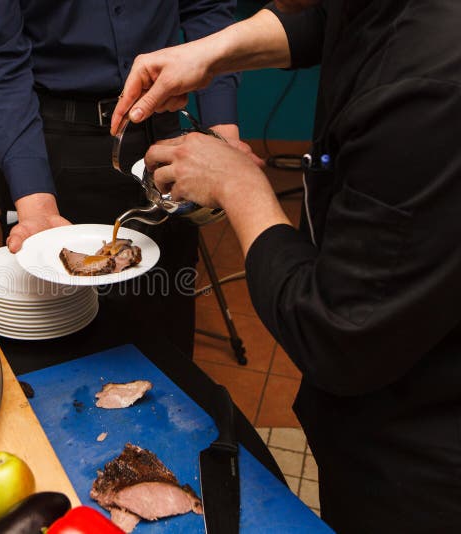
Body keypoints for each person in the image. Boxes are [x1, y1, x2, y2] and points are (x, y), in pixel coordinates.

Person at [111, 1, 461, 531]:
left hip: (421, 462)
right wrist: (212, 52)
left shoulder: (428, 88)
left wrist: (237, 184)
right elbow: (329, 17)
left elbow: (337, 332)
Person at [0, 0, 259, 357]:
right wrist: (37, 206)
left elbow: (206, 8)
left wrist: (222, 136)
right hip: (51, 149)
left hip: (163, 135)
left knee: (167, 329)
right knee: (61, 346)